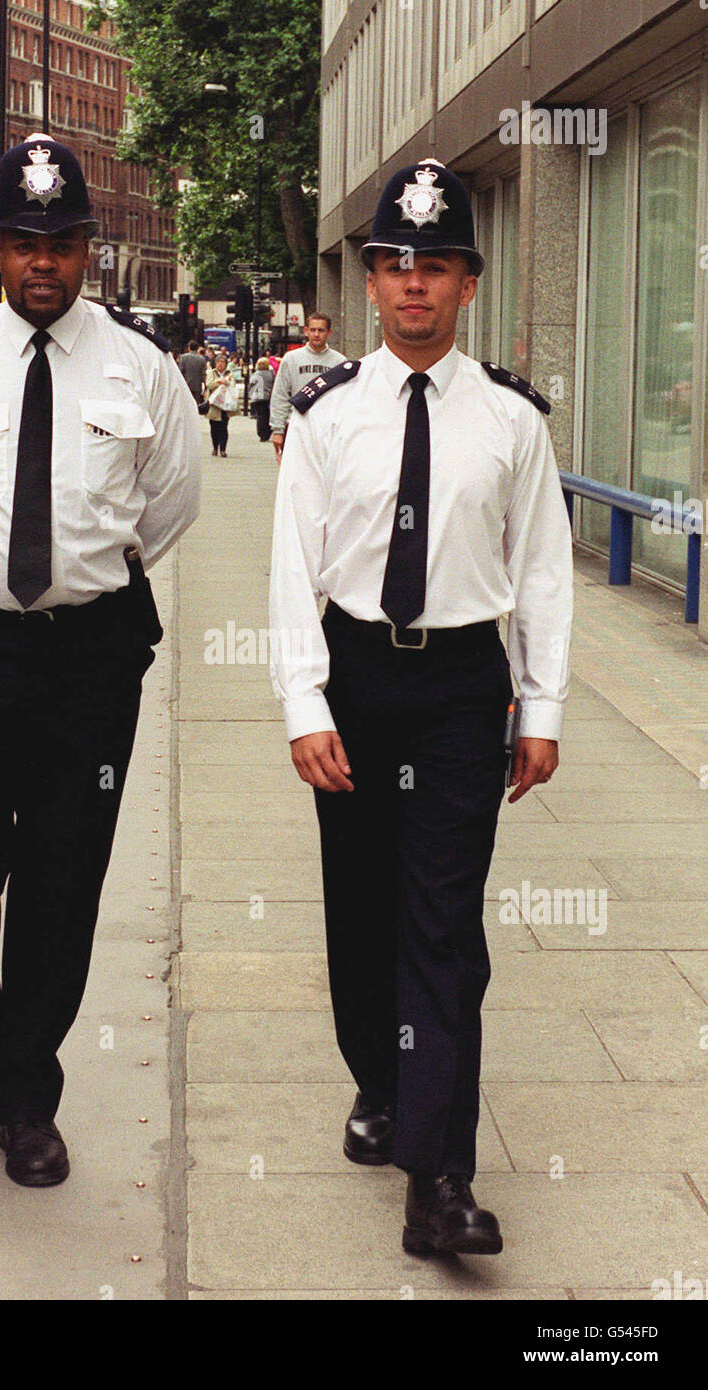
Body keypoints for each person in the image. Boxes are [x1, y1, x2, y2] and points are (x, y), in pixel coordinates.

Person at [269, 158, 573, 1257]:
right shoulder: (326, 414)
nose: (411, 286)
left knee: (441, 923)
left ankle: (439, 1174)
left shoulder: (510, 423)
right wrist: (303, 701)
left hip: (457, 688)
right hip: (355, 673)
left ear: (466, 285)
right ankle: (383, 1081)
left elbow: (541, 570)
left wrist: (537, 706)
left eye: (433, 267)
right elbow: (286, 569)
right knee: (360, 913)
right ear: (369, 284)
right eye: (393, 265)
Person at [0, 132, 200, 1189]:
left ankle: (27, 1097)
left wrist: (80, 577)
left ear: (88, 251)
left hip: (88, 657)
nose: (41, 262)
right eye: (22, 242)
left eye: (60, 242)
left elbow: (168, 507)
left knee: (62, 880)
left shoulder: (142, 370)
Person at [269, 314, 345, 462]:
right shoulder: (291, 359)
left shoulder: (339, 362)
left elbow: (344, 399)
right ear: (306, 331)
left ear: (329, 333)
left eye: (321, 330)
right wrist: (278, 430)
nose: (316, 334)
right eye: (313, 330)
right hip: (297, 426)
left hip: (327, 429)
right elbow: (280, 395)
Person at [205, 351, 233, 457]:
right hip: (214, 404)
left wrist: (227, 382)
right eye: (218, 362)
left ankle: (223, 449)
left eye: (222, 362)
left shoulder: (229, 373)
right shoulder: (211, 373)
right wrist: (220, 382)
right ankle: (214, 447)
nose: (220, 364)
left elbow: (232, 384)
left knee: (224, 427)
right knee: (214, 427)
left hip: (225, 404)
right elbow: (209, 385)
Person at [248, 356, 275, 442]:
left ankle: (262, 434)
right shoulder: (271, 374)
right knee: (267, 416)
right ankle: (268, 432)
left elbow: (251, 385)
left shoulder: (256, 374)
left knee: (260, 416)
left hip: (258, 397)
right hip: (268, 397)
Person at [179, 338, 207, 405]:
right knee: (196, 404)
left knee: (186, 404)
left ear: (189, 348)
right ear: (197, 348)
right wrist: (205, 385)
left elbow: (181, 371)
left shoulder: (183, 357)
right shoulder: (202, 359)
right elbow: (203, 374)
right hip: (197, 385)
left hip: (186, 384)